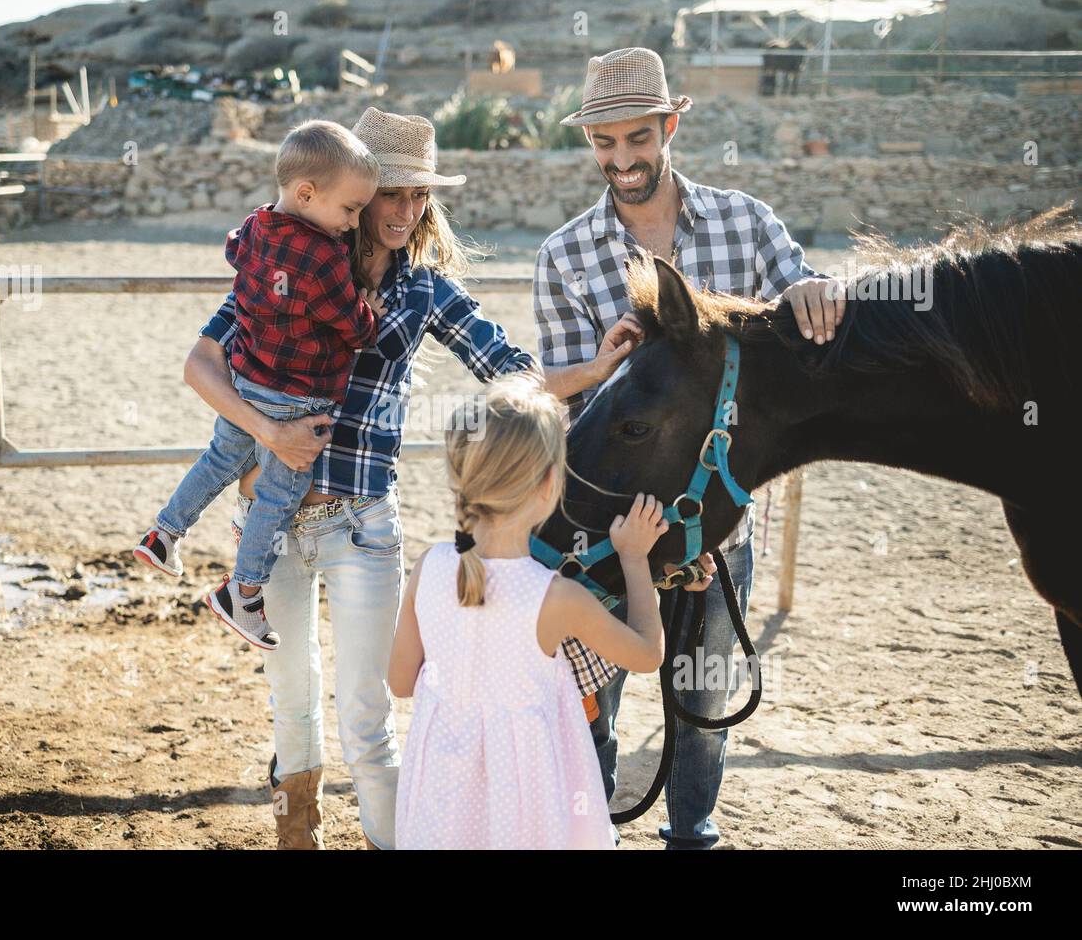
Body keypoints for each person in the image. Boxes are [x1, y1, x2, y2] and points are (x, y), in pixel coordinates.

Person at [189, 108, 539, 849]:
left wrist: (600, 373)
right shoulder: (285, 265)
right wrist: (270, 433)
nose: (408, 211)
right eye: (394, 193)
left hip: (362, 524)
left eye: (421, 197)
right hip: (269, 521)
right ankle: (298, 832)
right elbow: (201, 364)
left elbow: (510, 370)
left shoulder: (425, 290)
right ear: (360, 188)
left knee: (367, 715)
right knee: (290, 702)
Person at [533, 47, 845, 849]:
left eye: (637, 137)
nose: (621, 159)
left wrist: (812, 289)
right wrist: (601, 368)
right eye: (604, 143)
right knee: (590, 694)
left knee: (703, 696)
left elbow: (802, 301)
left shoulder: (747, 222)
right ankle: (585, 831)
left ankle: (692, 834)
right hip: (606, 523)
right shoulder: (563, 255)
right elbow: (557, 395)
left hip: (713, 516)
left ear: (670, 126)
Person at [133, 120, 386, 650]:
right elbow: (354, 327)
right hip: (299, 398)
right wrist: (371, 313)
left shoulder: (253, 226)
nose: (354, 222)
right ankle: (242, 593)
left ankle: (164, 533)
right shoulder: (324, 257)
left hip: (246, 380)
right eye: (350, 209)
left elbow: (235, 255)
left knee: (218, 460)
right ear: (307, 193)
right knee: (277, 495)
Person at [389, 374, 670, 849]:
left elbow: (399, 682)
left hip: (443, 794)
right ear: (548, 483)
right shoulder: (553, 596)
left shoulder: (429, 568)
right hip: (528, 801)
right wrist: (635, 558)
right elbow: (646, 653)